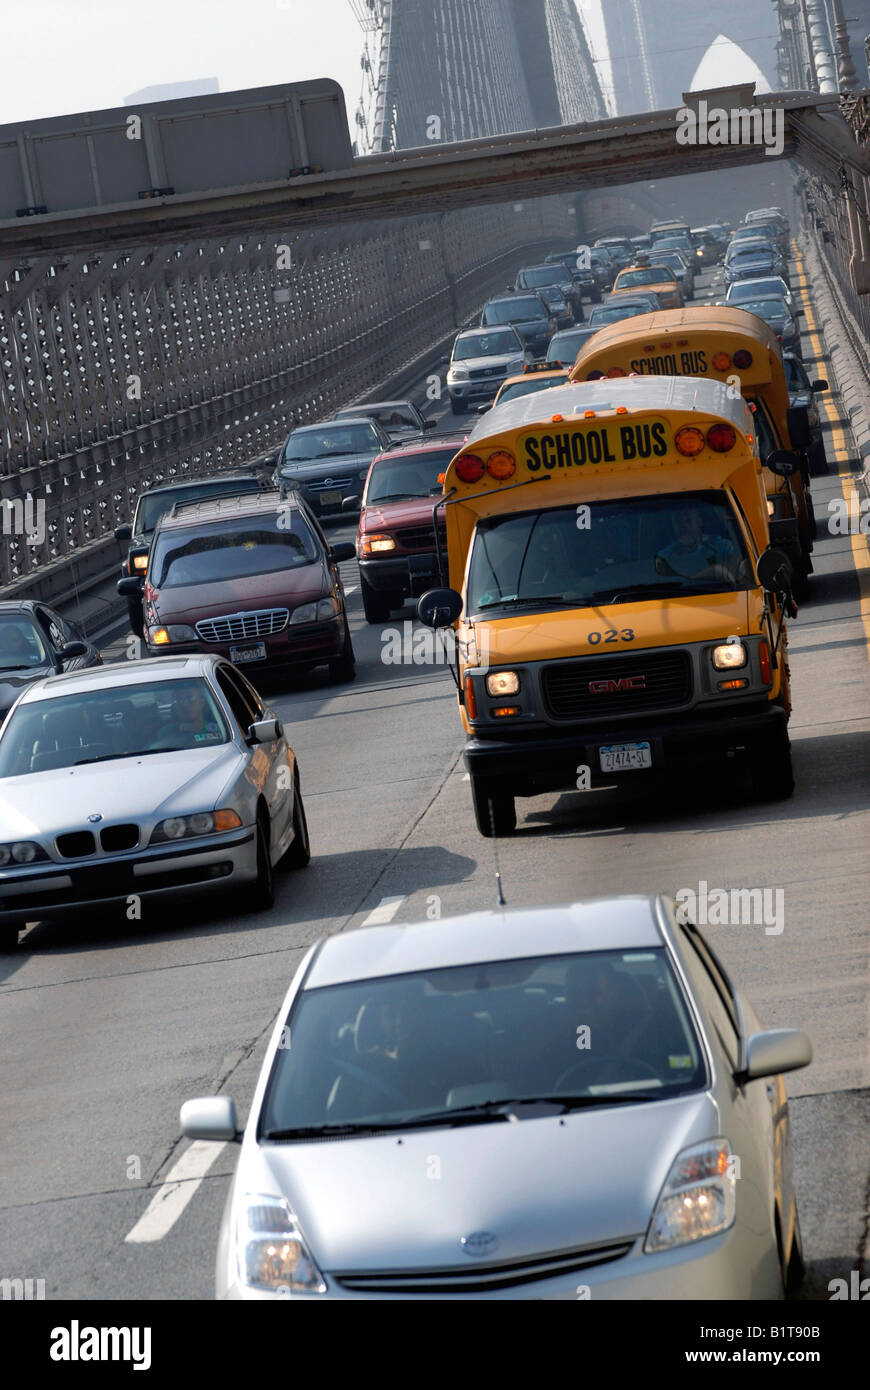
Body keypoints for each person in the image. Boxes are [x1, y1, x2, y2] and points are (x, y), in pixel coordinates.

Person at [656, 504, 739, 580]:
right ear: (673, 526)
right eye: (678, 521)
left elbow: (738, 566)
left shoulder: (721, 546)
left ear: (699, 522)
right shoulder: (664, 555)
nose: (683, 525)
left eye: (688, 520)